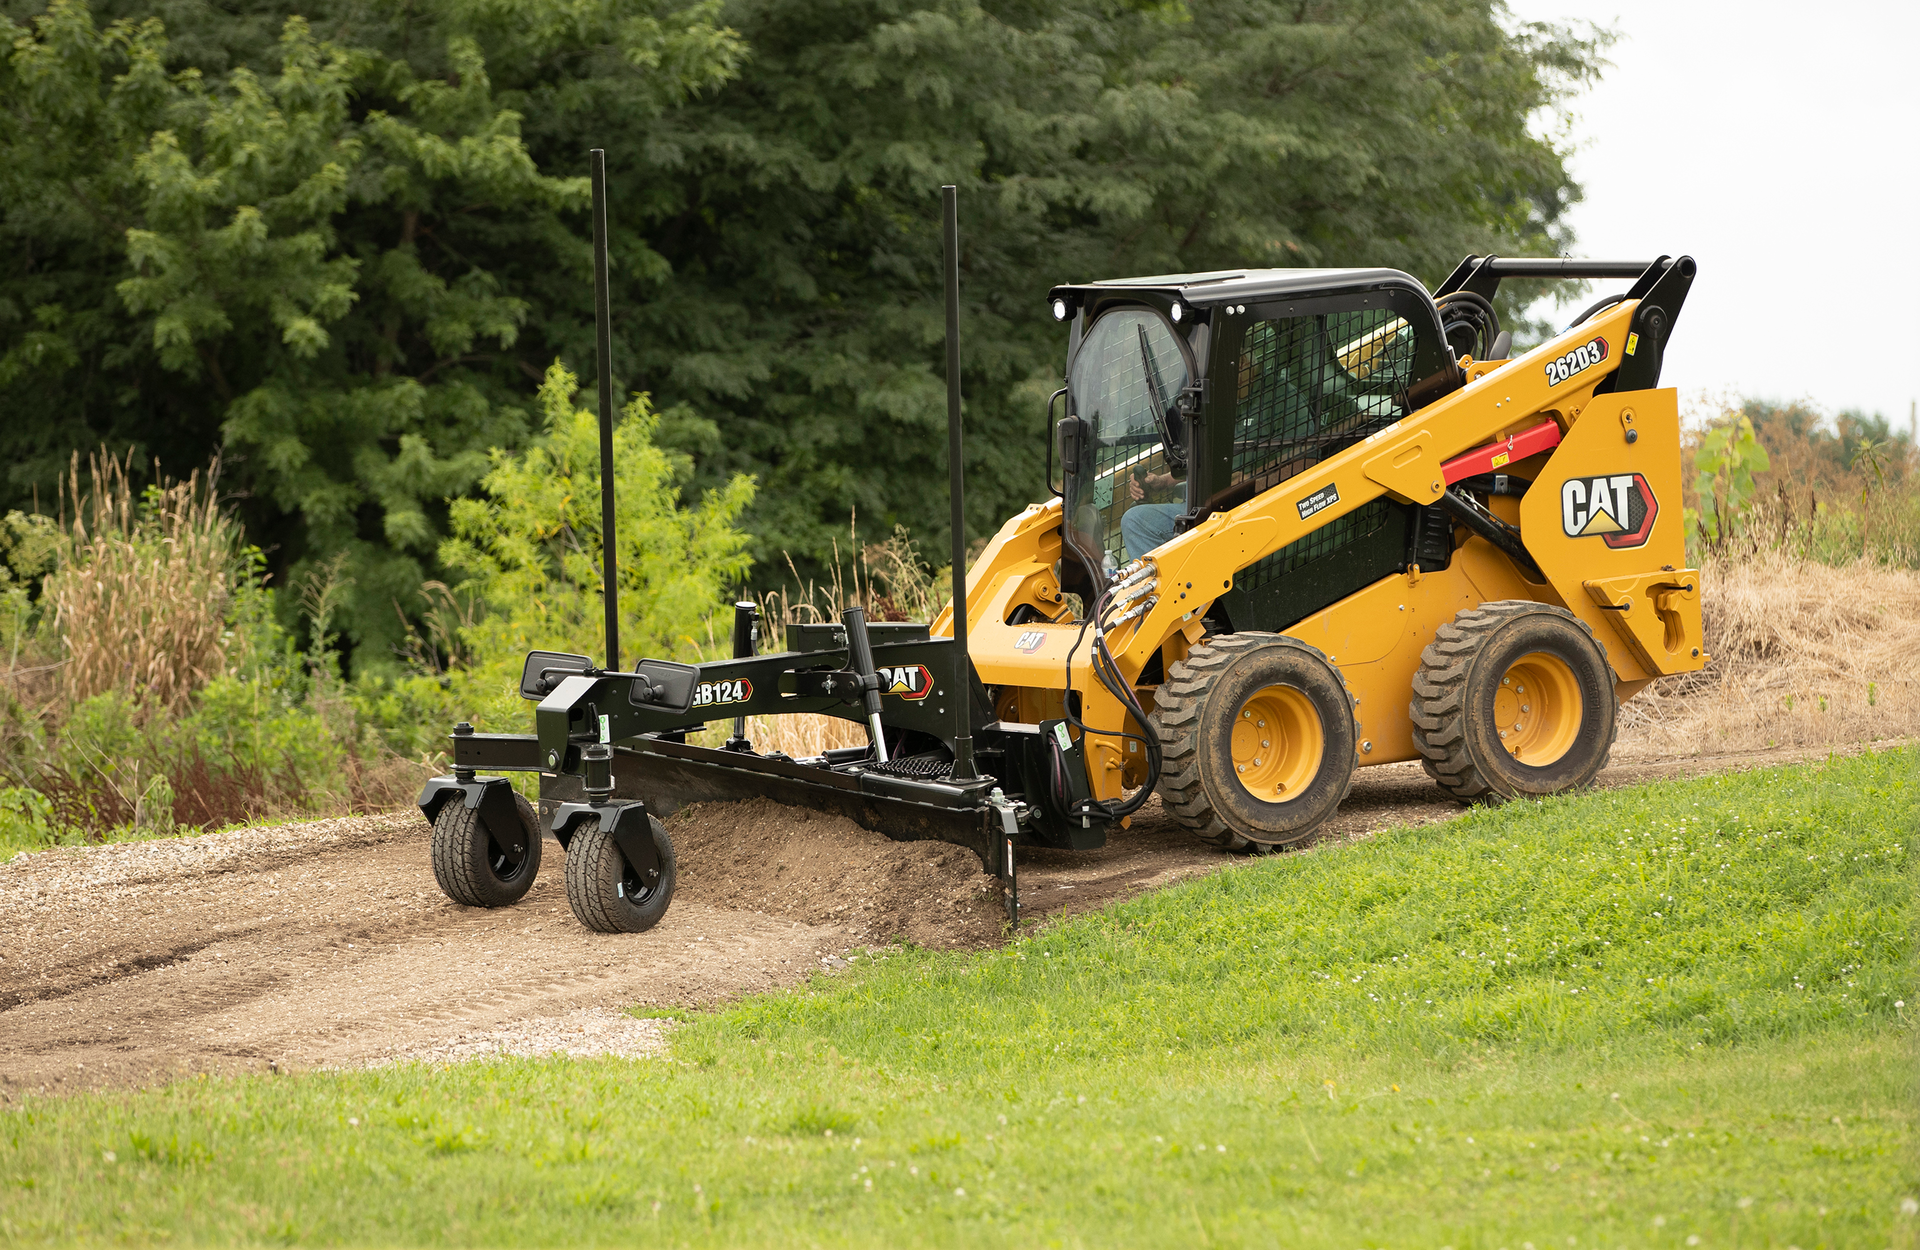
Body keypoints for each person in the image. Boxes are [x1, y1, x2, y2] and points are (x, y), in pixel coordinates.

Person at [1121, 469, 1186, 559]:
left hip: (1206, 506)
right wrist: (1164, 481)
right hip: (1191, 499)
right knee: (1137, 511)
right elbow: (1194, 468)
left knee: (1134, 520)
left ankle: (1154, 572)